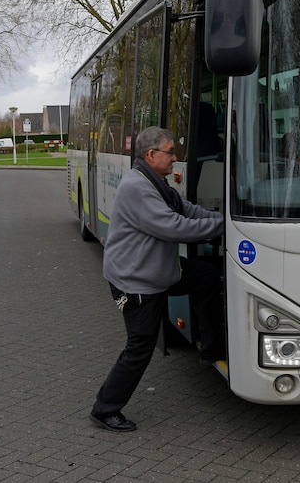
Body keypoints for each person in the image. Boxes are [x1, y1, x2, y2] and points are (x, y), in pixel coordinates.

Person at [89, 127, 225, 433]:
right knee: (140, 347)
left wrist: (224, 219)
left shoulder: (155, 182)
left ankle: (212, 348)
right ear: (152, 154)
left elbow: (185, 209)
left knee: (205, 277)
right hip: (137, 283)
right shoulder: (138, 187)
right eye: (171, 152)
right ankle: (105, 409)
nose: (175, 158)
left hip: (160, 271)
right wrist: (222, 228)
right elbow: (174, 226)